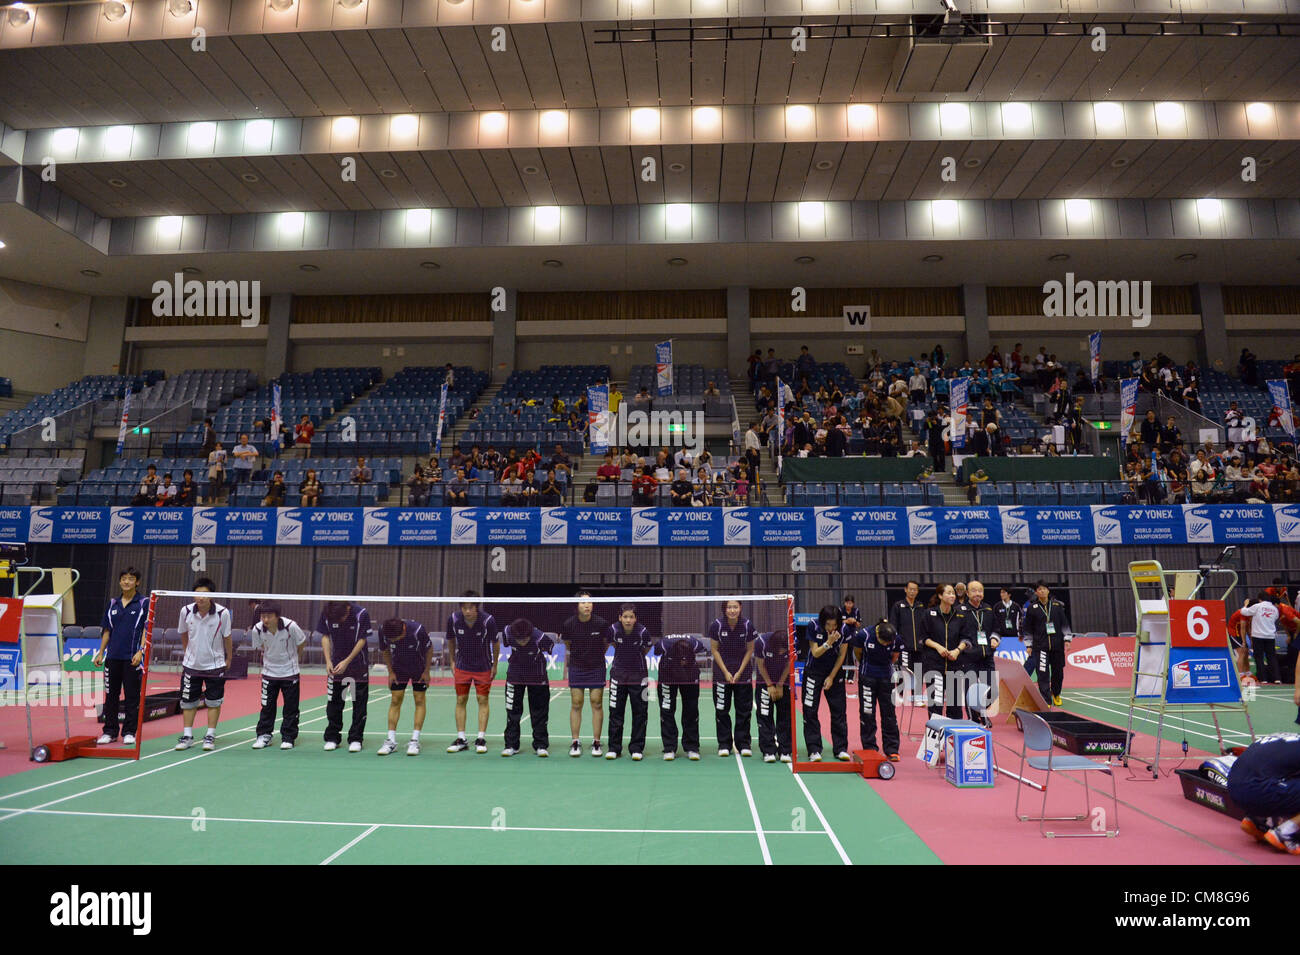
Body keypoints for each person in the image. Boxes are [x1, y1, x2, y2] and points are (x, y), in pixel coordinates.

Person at [173, 577, 232, 751]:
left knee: (213, 701)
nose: (201, 598)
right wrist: (188, 653)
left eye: (205, 594)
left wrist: (228, 658)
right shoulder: (186, 611)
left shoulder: (223, 613)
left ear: (212, 595)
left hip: (215, 665)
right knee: (188, 701)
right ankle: (187, 735)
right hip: (192, 665)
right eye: (197, 594)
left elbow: (227, 637)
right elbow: (183, 634)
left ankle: (210, 735)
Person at [93, 568, 148, 747]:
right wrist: (101, 652)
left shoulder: (143, 603)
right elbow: (107, 630)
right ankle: (109, 731)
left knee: (132, 696)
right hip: (113, 658)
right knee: (111, 696)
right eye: (123, 579)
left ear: (137, 582)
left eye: (130, 579)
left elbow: (146, 630)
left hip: (132, 658)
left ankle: (129, 732)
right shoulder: (112, 603)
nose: (126, 582)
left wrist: (141, 651)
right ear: (119, 582)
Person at [445, 591, 501, 754]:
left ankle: (481, 738)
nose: (467, 611)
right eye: (464, 607)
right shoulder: (454, 619)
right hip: (462, 665)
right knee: (461, 699)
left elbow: (495, 643)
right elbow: (450, 639)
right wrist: (452, 661)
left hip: (483, 666)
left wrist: (495, 664)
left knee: (482, 699)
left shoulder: (487, 621)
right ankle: (461, 738)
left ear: (477, 607)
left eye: (470, 607)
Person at [1228, 733, 1300, 855]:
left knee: (1280, 776)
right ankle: (1285, 833)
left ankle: (1258, 821)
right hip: (1258, 791)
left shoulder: (1286, 737)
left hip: (1232, 787)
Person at [249, 603, 307, 750]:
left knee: (291, 708)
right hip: (269, 673)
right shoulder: (257, 629)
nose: (265, 619)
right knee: (267, 706)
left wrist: (295, 658)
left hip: (290, 672)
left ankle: (288, 737)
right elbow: (261, 646)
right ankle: (264, 735)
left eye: (269, 616)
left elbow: (302, 642)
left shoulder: (290, 626)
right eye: (263, 616)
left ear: (277, 616)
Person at [560, 592, 610, 758]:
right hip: (577, 666)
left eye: (589, 603)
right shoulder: (569, 624)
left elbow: (606, 644)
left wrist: (595, 656)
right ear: (577, 605)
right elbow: (568, 643)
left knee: (596, 703)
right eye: (583, 603)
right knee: (576, 703)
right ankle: (575, 741)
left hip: (596, 666)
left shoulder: (601, 623)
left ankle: (596, 742)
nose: (587, 606)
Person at [318, 601, 372, 752]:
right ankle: (332, 737)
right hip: (336, 667)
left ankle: (356, 738)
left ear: (347, 610)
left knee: (358, 704)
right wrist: (328, 660)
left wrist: (347, 661)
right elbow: (325, 636)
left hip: (357, 667)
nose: (339, 623)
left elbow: (362, 639)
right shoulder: (328, 612)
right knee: (335, 702)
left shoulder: (361, 614)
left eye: (340, 619)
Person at [378, 617, 432, 756]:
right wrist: (390, 672)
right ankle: (390, 741)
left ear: (403, 629)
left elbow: (429, 649)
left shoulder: (417, 630)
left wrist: (426, 671)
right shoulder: (384, 631)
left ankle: (415, 740)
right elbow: (385, 650)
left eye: (396, 639)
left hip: (418, 668)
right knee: (395, 700)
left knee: (419, 700)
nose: (394, 641)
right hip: (398, 668)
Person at [802, 605, 851, 761]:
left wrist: (831, 677)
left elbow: (842, 655)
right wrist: (829, 642)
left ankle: (840, 748)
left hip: (834, 673)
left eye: (834, 625)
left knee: (839, 711)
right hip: (813, 671)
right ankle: (814, 749)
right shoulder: (813, 626)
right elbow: (815, 653)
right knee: (810, 711)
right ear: (823, 622)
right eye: (829, 625)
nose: (832, 627)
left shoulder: (844, 630)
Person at [709, 600, 757, 758]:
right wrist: (726, 672)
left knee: (743, 710)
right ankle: (724, 744)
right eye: (729, 607)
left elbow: (750, 650)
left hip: (742, 673)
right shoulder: (716, 625)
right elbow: (714, 650)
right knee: (722, 710)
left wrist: (738, 672)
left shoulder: (748, 625)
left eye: (735, 607)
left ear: (740, 608)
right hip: (721, 673)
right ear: (724, 609)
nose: (732, 610)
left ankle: (743, 743)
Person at [604, 603, 652, 760]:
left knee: (640, 713)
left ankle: (637, 748)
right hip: (618, 675)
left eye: (631, 617)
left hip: (640, 676)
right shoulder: (613, 629)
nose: (628, 620)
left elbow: (646, 650)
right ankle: (614, 748)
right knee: (615, 712)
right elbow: (611, 644)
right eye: (625, 617)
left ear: (635, 618)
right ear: (620, 617)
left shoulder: (643, 632)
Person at [501, 618, 555, 757]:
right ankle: (511, 745)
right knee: (512, 712)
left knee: (539, 713)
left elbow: (551, 646)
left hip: (537, 676)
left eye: (525, 639)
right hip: (515, 676)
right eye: (519, 640)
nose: (522, 642)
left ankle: (541, 745)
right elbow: (506, 642)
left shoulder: (539, 637)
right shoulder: (508, 632)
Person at [653, 630, 705, 761]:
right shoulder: (664, 644)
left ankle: (692, 747)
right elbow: (655, 652)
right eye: (680, 659)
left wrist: (686, 664)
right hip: (668, 674)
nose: (683, 661)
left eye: (685, 659)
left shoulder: (694, 644)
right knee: (666, 711)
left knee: (691, 711)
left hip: (690, 675)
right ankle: (669, 747)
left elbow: (703, 650)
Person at [921, 584, 970, 719]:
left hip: (955, 664)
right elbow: (923, 638)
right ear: (940, 596)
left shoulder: (960, 615)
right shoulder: (929, 614)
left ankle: (953, 735)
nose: (952, 596)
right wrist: (938, 647)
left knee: (955, 706)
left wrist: (957, 650)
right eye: (948, 593)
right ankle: (935, 735)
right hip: (934, 664)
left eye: (953, 593)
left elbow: (966, 638)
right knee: (935, 704)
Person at [854, 620, 901, 760]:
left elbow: (895, 656)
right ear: (877, 633)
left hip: (886, 678)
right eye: (884, 642)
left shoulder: (895, 638)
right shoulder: (864, 635)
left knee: (889, 714)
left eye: (888, 643)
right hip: (867, 677)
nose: (886, 645)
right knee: (867, 713)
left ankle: (892, 749)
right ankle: (870, 747)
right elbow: (858, 654)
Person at [957, 580, 1000, 725]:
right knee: (971, 691)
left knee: (992, 691)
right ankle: (974, 718)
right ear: (967, 593)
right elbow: (956, 633)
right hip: (968, 657)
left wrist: (994, 638)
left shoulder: (988, 609)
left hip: (986, 656)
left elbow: (996, 628)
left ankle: (981, 711)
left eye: (980, 590)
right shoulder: (960, 611)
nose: (977, 593)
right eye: (974, 590)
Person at [1024, 580, 1072, 706]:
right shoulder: (1032, 608)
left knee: (1058, 672)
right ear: (1036, 592)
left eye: (1044, 589)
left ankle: (1056, 694)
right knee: (1042, 674)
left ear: (1048, 591)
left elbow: (1064, 624)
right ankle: (1046, 700)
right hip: (1040, 647)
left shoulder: (1057, 606)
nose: (1042, 591)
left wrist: (1067, 639)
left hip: (1057, 646)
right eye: (1039, 589)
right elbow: (1028, 628)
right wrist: (1029, 645)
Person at [754, 629, 792, 763]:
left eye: (784, 651)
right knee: (764, 715)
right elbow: (760, 665)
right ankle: (768, 750)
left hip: (784, 681)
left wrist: (780, 684)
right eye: (779, 650)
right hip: (764, 681)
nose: (781, 653)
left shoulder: (793, 642)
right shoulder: (761, 643)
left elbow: (789, 664)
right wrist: (770, 685)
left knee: (785, 716)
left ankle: (785, 750)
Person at [890, 581, 925, 706]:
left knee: (918, 671)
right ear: (905, 589)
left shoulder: (920, 606)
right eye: (910, 589)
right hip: (904, 646)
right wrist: (897, 642)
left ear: (917, 591)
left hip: (919, 647)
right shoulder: (898, 606)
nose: (912, 591)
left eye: (915, 589)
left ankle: (918, 697)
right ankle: (900, 695)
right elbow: (893, 625)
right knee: (903, 671)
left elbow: (924, 625)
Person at [1240, 594, 1283, 684]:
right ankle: (1277, 678)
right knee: (1272, 658)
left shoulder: (1258, 606)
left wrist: (1245, 604)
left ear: (1260, 599)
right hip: (1270, 636)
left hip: (1258, 636)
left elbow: (1244, 612)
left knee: (1259, 658)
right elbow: (1276, 618)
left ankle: (1263, 679)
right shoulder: (1274, 609)